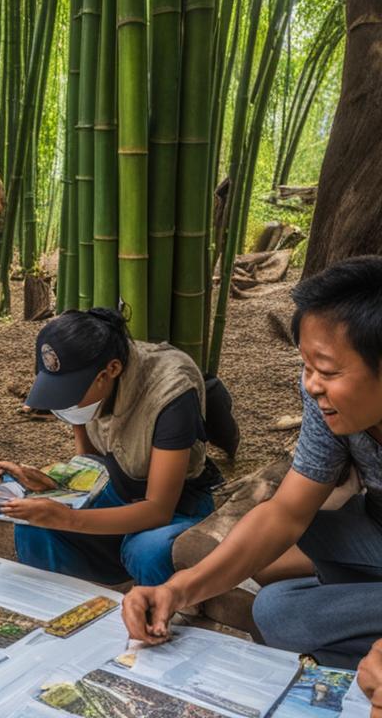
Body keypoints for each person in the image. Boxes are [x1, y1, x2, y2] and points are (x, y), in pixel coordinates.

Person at [123, 257, 382, 669]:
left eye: (328, 371)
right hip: (373, 529)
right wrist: (180, 588)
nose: (312, 385)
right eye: (306, 366)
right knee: (275, 605)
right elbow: (286, 512)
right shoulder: (326, 399)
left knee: (280, 611)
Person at [6, 308, 223, 587]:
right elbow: (90, 459)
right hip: (117, 487)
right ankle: (67, 611)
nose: (64, 404)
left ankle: (161, 617)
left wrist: (69, 518)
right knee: (33, 526)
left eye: (69, 393)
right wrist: (57, 484)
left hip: (179, 506)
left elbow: (158, 510)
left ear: (111, 370)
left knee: (146, 551)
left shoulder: (171, 390)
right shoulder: (87, 378)